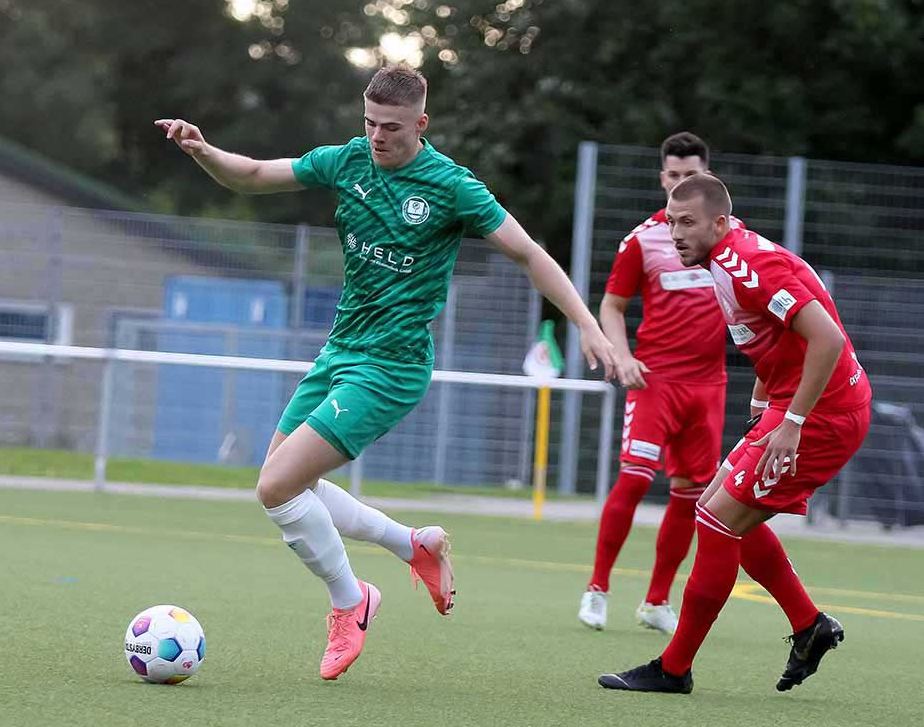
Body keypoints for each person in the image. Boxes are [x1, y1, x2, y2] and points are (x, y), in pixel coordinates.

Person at [157, 64, 617, 681]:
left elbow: (529, 253)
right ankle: (411, 544)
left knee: (276, 487)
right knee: (286, 483)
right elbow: (255, 176)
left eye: (392, 127)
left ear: (421, 123)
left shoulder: (451, 186)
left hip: (392, 365)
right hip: (339, 352)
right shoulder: (348, 160)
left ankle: (352, 601)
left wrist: (585, 323)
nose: (377, 136)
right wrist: (203, 151)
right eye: (370, 122)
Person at [597, 173, 871, 694]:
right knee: (715, 505)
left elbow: (828, 339)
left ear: (720, 223)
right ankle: (809, 625)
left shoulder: (745, 266)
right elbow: (779, 338)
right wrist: (764, 404)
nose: (676, 234)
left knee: (717, 522)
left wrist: (792, 423)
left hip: (823, 416)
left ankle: (674, 669)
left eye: (688, 223)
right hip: (798, 406)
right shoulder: (725, 259)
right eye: (670, 222)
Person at [579, 133, 740, 635]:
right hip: (656, 381)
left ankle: (656, 601)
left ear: (708, 178)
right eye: (673, 175)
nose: (679, 183)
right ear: (661, 178)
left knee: (692, 495)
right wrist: (622, 355)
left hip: (709, 386)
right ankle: (597, 589)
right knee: (634, 477)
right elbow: (612, 305)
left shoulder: (733, 239)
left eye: (690, 175)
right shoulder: (642, 240)